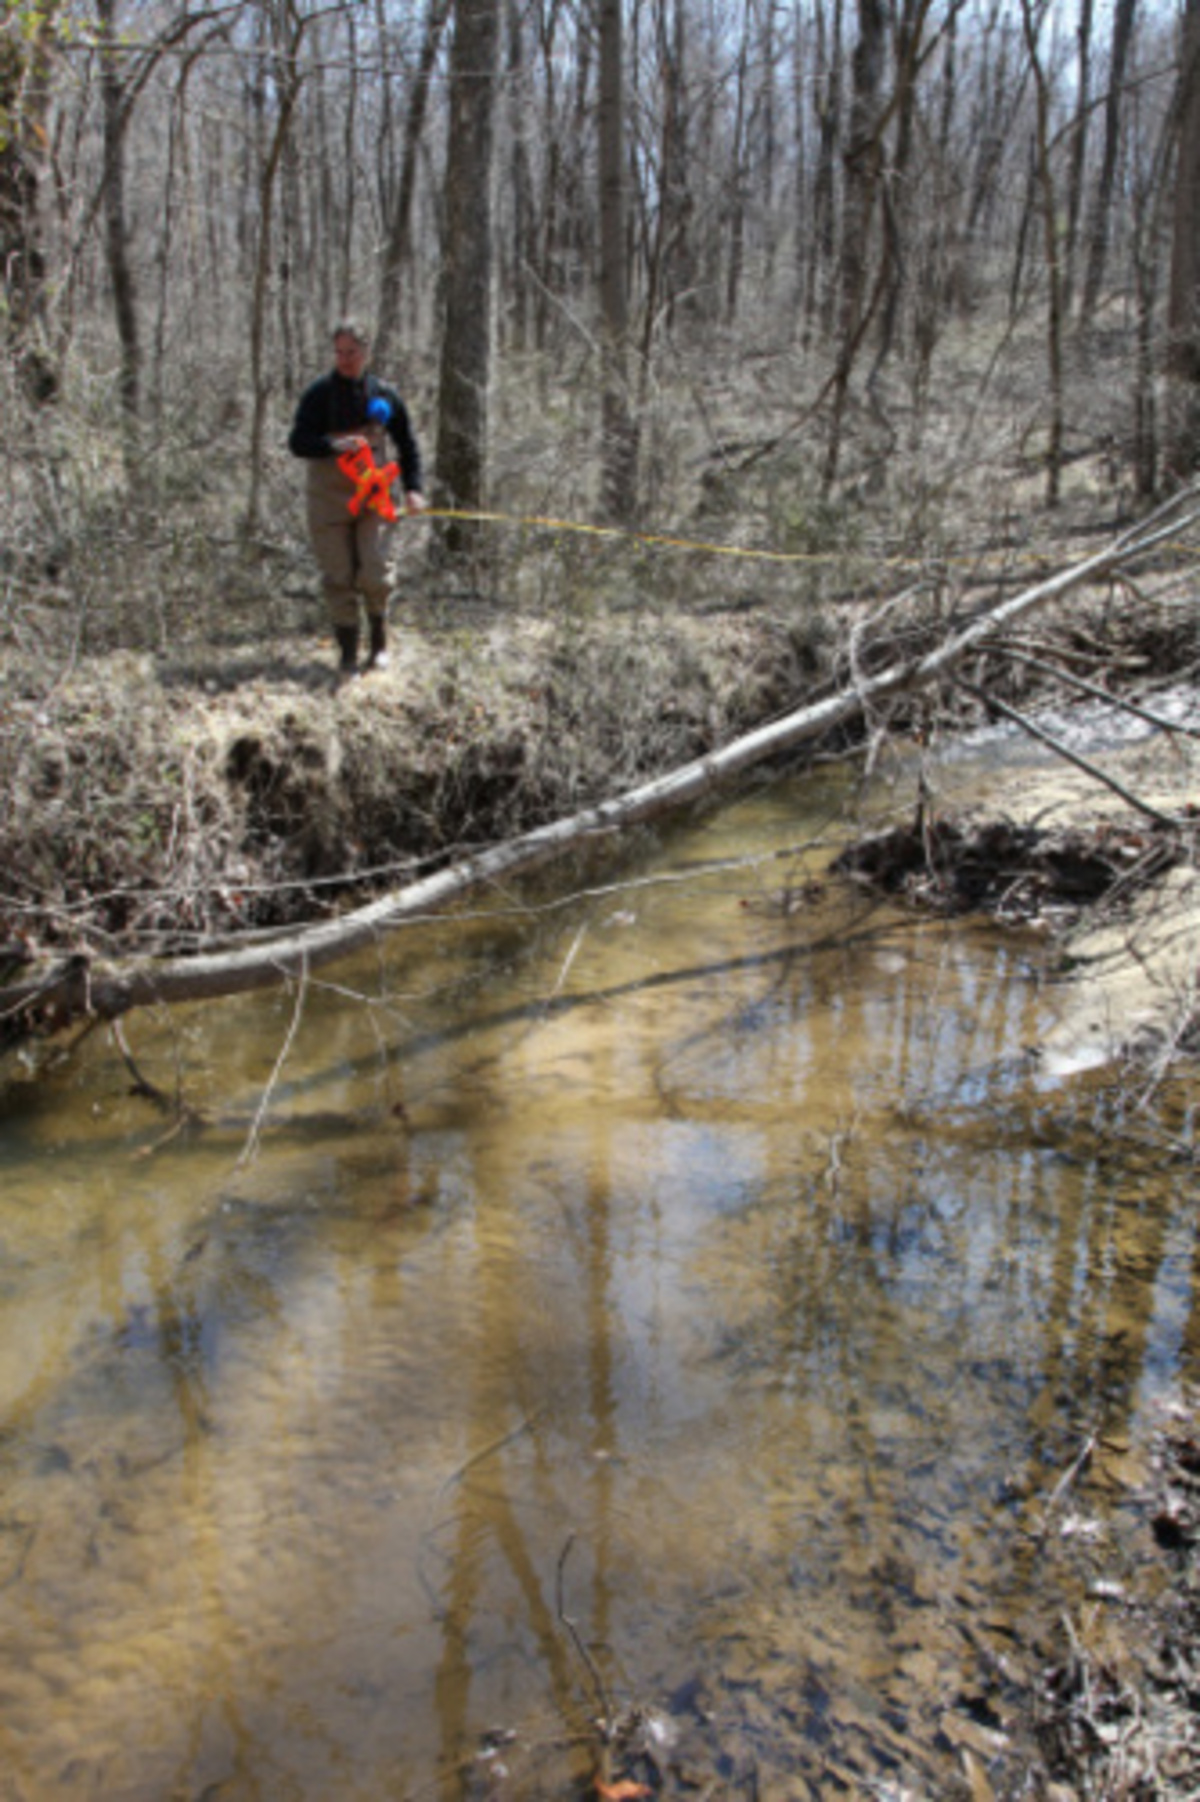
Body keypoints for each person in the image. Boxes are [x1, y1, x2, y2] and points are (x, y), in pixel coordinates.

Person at [289, 319, 426, 679]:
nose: (345, 359)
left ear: (366, 352)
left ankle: (379, 646)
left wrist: (413, 488)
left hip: (374, 498)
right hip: (328, 499)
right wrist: (333, 444)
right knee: (338, 575)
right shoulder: (318, 394)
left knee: (376, 571)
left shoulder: (385, 394)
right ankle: (348, 655)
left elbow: (408, 445)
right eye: (339, 352)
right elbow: (297, 442)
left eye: (351, 352)